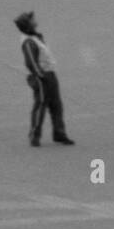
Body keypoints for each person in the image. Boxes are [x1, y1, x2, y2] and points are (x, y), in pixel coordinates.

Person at [15, 12, 74, 147]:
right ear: (27, 25)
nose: (35, 21)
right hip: (43, 77)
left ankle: (59, 133)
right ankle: (34, 135)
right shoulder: (29, 42)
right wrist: (40, 76)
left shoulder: (35, 37)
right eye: (32, 20)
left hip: (50, 74)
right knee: (40, 105)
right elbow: (30, 62)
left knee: (56, 105)